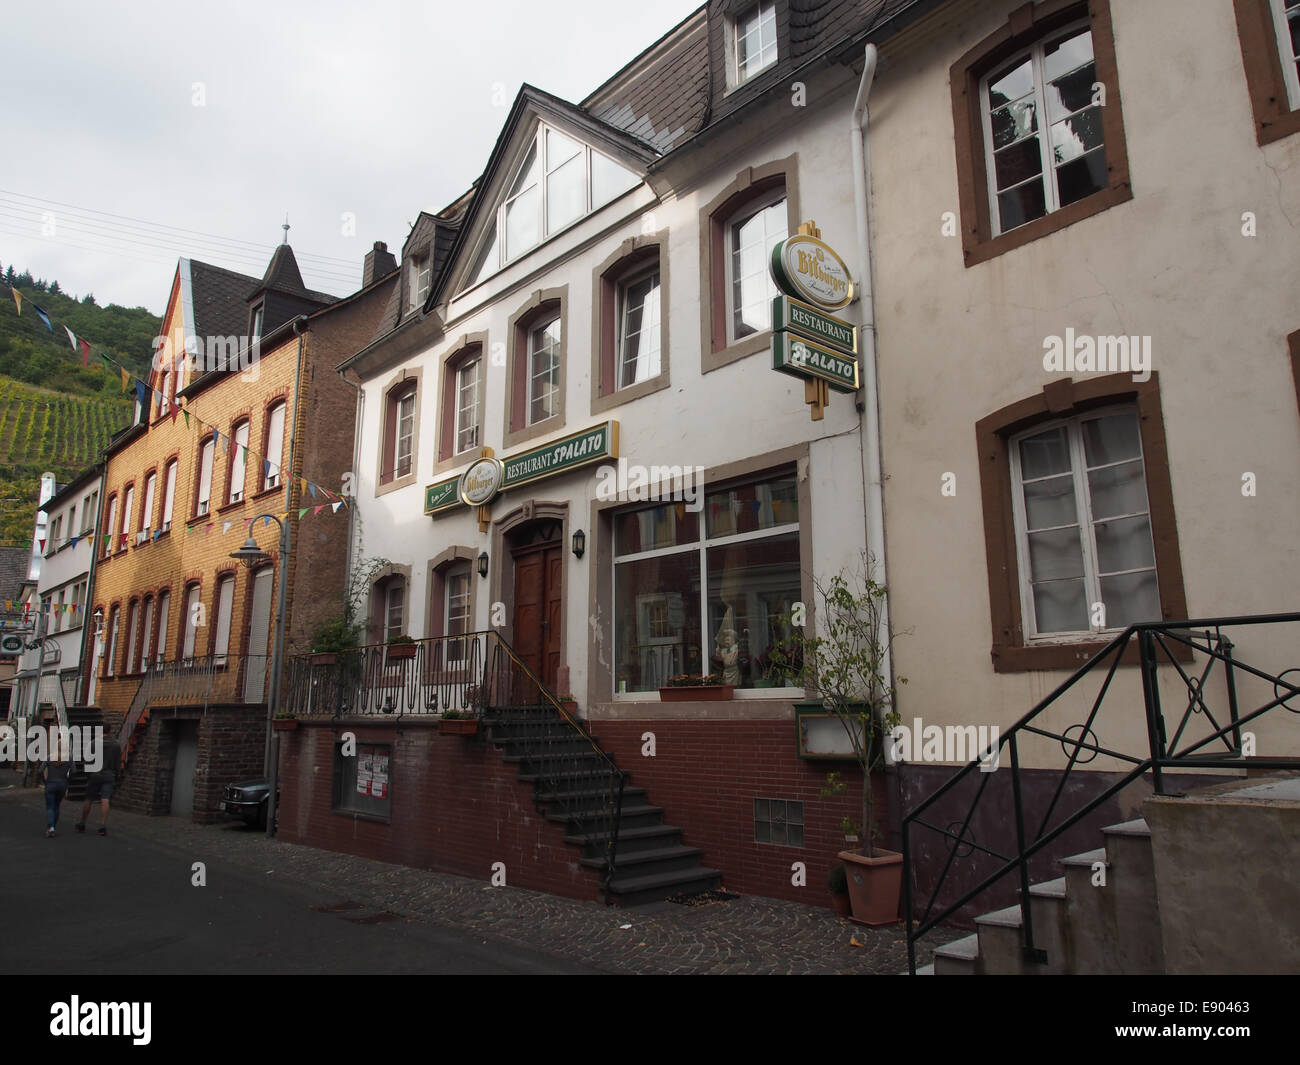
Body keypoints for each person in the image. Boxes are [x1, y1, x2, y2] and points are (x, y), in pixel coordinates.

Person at [77, 732, 121, 836]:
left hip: (95, 774)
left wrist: (88, 774)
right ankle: (102, 826)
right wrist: (116, 775)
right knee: (105, 799)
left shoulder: (93, 743)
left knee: (89, 799)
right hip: (109, 775)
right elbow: (118, 762)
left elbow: (87, 760)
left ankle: (82, 823)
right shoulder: (116, 745)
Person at [40, 732, 73, 838]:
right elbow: (75, 771)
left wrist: (44, 781)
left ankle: (50, 828)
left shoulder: (50, 757)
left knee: (50, 806)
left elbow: (40, 770)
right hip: (62, 784)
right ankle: (53, 826)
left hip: (50, 783)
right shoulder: (69, 758)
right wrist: (68, 780)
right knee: (57, 806)